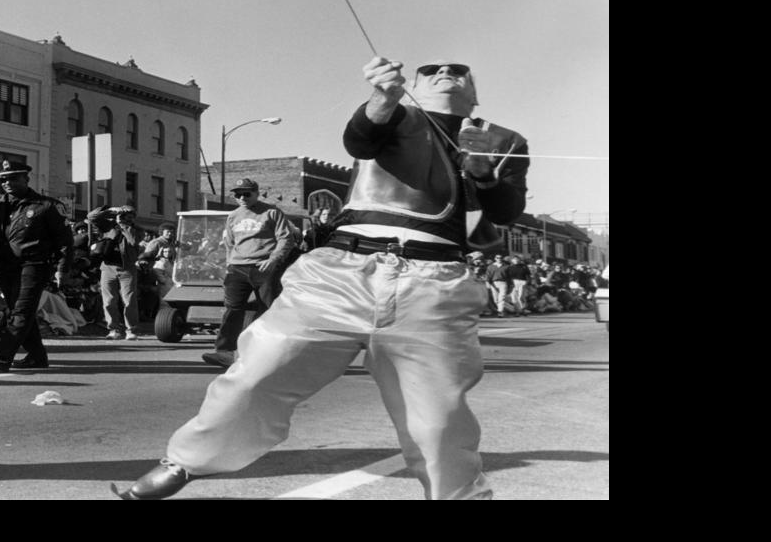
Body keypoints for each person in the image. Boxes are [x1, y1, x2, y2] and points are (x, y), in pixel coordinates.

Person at [115, 57, 528, 501]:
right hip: (341, 272)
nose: (446, 73)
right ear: (414, 86)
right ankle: (185, 461)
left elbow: (505, 214)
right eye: (430, 70)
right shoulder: (395, 114)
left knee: (438, 417)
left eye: (459, 71)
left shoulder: (503, 139)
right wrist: (382, 97)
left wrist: (484, 173)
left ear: (475, 92)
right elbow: (360, 140)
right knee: (259, 370)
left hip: (434, 285)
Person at [0, 159, 73, 371]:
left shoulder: (47, 206)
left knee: (21, 312)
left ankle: (2, 356)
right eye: (3, 179)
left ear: (26, 178)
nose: (7, 183)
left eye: (13, 178)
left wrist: (62, 268)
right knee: (19, 311)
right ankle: (37, 357)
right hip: (6, 267)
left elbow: (64, 241)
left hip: (34, 265)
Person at [203, 176, 297, 368]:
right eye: (238, 194)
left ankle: (269, 352)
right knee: (232, 309)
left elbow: (286, 238)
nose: (242, 197)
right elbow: (229, 243)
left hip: (264, 267)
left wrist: (273, 260)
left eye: (247, 193)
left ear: (256, 193)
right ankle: (224, 352)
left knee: (268, 308)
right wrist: (229, 265)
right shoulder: (233, 216)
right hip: (238, 268)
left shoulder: (272, 212)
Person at [90, 204, 143, 340]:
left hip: (127, 269)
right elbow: (91, 217)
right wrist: (110, 211)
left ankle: (131, 330)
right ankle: (114, 329)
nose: (128, 218)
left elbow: (132, 241)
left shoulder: (137, 230)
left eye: (131, 216)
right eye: (126, 215)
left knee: (129, 300)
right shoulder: (107, 227)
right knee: (109, 301)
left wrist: (124, 225)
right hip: (108, 268)